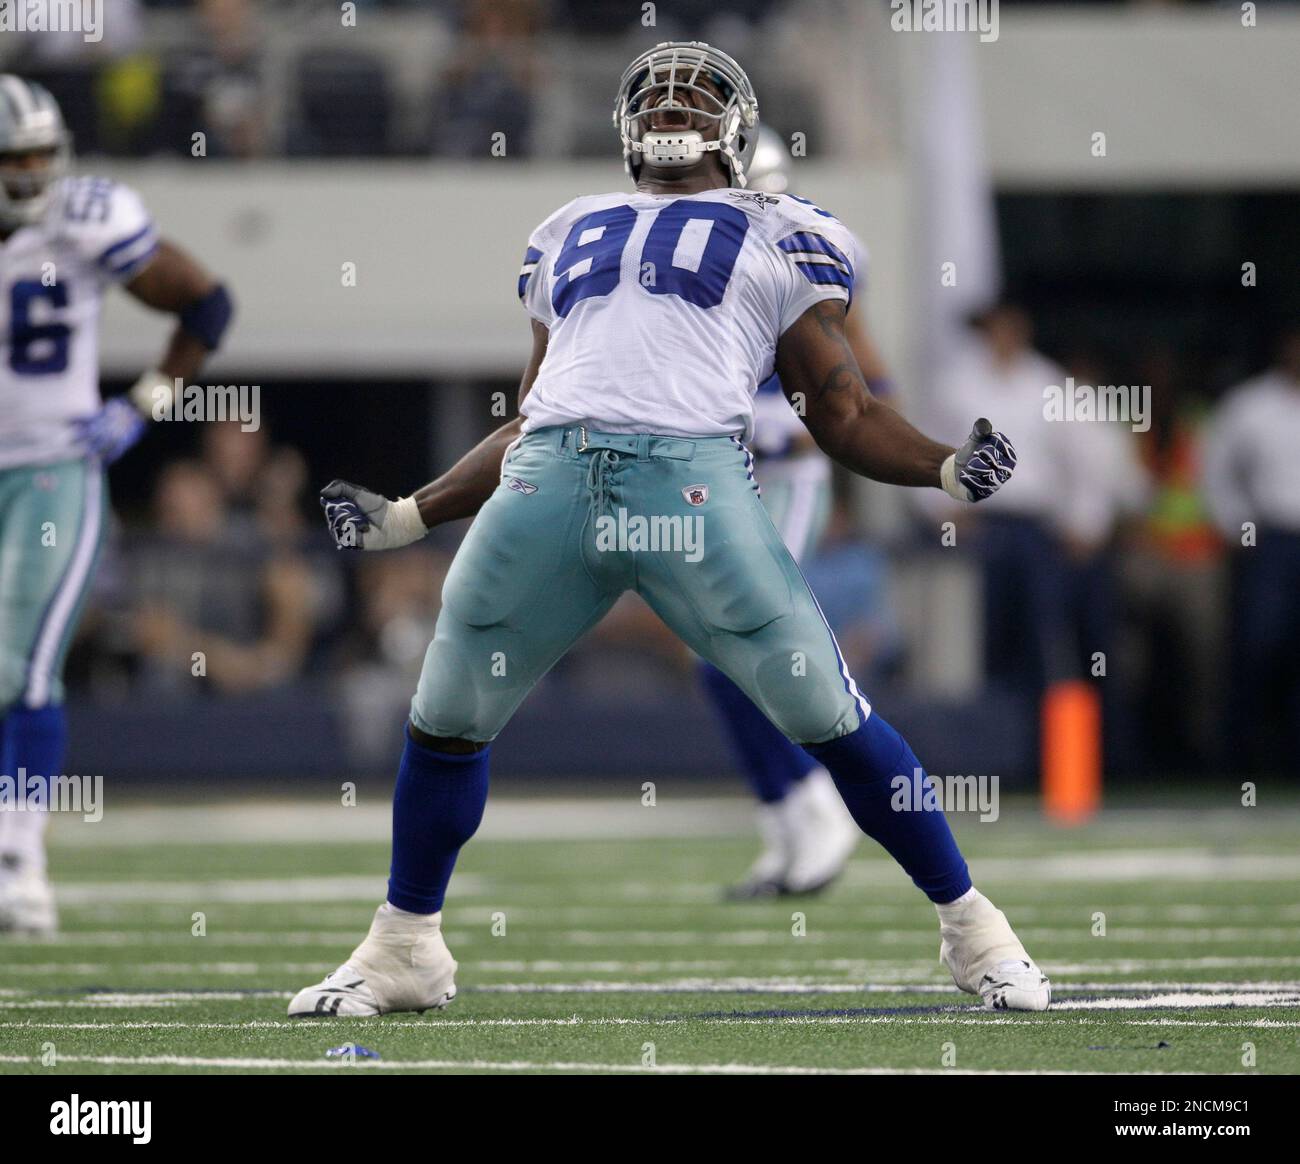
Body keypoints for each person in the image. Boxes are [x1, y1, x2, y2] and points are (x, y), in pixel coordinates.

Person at [292, 41, 1048, 1017]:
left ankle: (972, 929)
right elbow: (532, 411)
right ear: (622, 127)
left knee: (831, 713)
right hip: (545, 482)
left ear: (737, 130)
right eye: (656, 93)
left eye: (693, 93)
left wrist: (944, 463)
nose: (672, 107)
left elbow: (843, 409)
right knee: (444, 718)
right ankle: (403, 947)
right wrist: (411, 513)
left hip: (689, 485)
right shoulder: (565, 227)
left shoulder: (783, 230)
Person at [0, 76, 233, 932]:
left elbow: (209, 303)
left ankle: (19, 862)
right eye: (12, 160)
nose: (30, 176)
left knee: (17, 665)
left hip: (53, 470)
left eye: (37, 158)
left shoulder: (83, 220)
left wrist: (144, 407)